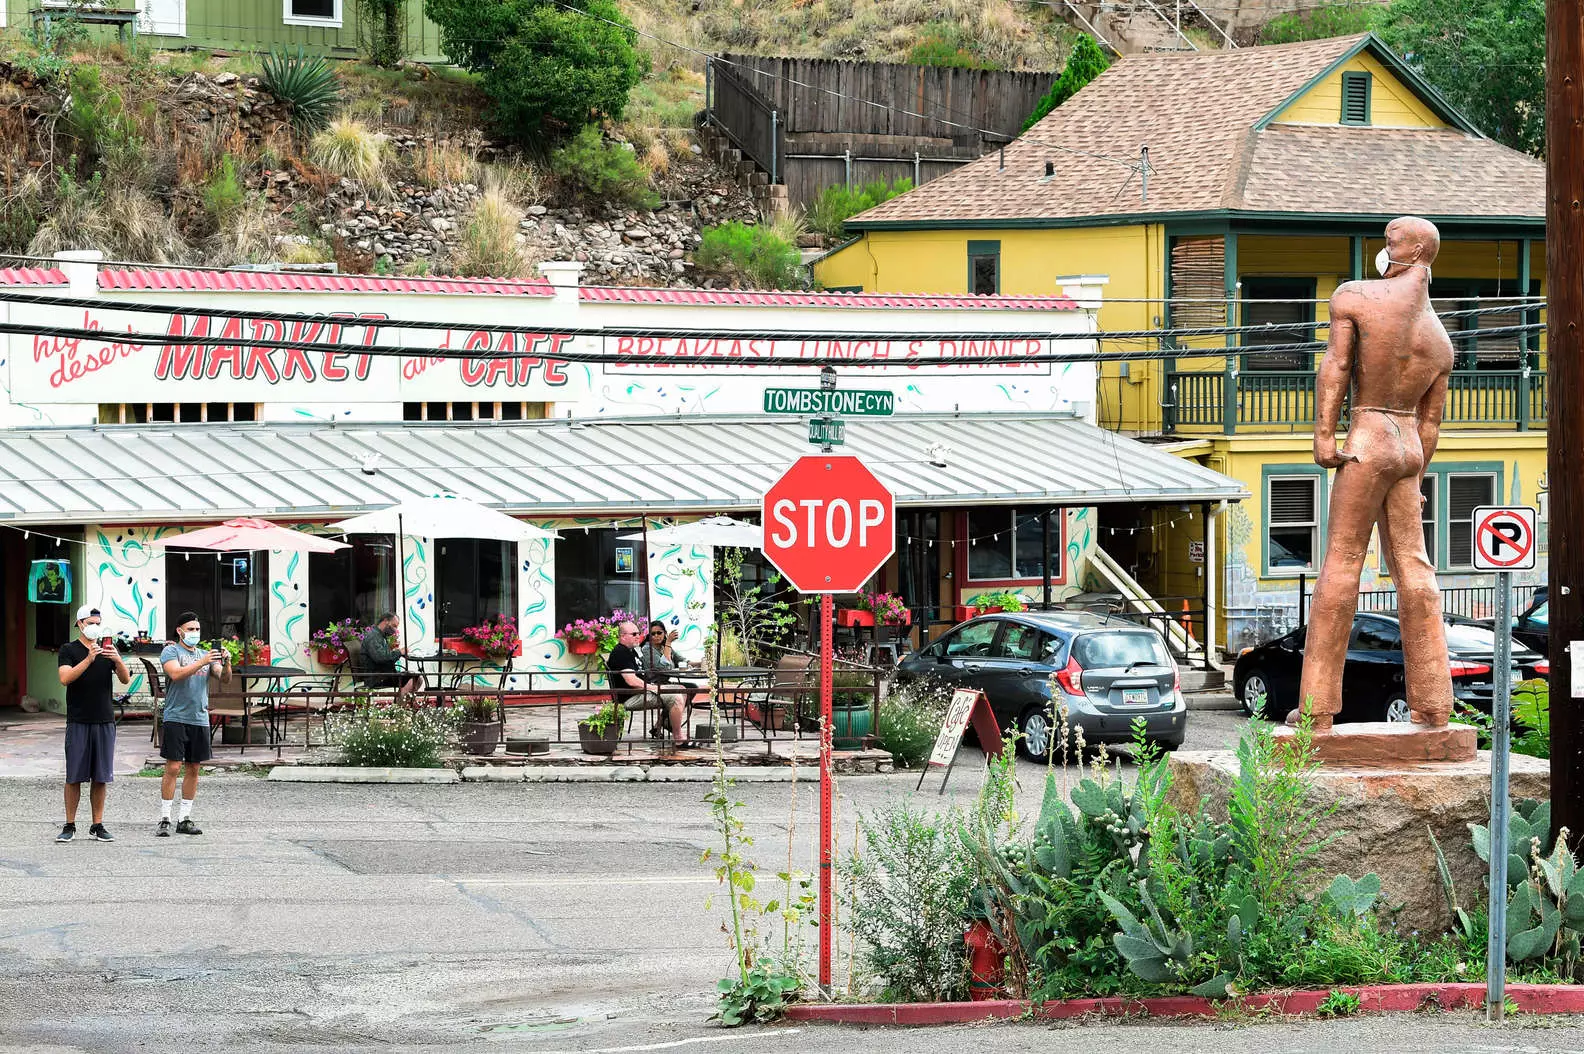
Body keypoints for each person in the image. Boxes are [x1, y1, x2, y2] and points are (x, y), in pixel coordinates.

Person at [1297, 216, 1454, 731]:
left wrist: (1324, 435)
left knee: (1341, 564)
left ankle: (1317, 711)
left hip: (1367, 436)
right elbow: (1431, 423)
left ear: (1412, 252)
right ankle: (1434, 706)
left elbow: (1337, 366)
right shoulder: (1438, 339)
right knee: (1416, 568)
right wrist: (1418, 474)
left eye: (1389, 243)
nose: (1382, 251)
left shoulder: (1355, 297)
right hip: (1409, 448)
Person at [56, 605, 130, 843]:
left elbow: (125, 679)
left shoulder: (108, 649)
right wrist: (89, 658)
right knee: (74, 775)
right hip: (79, 719)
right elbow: (65, 678)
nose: (94, 626)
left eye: (98, 622)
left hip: (104, 719)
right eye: (90, 622)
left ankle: (97, 824)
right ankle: (69, 824)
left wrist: (117, 659)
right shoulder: (69, 649)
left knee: (101, 776)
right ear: (80, 624)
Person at [157, 612, 230, 837]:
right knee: (173, 767)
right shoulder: (171, 651)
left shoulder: (205, 655)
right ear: (180, 631)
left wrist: (226, 663)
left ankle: (184, 818)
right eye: (191, 629)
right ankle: (165, 819)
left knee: (194, 768)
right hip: (176, 717)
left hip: (199, 718)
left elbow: (224, 678)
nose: (195, 634)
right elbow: (176, 674)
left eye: (198, 630)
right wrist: (202, 661)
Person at [606, 620, 688, 748]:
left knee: (682, 689)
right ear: (623, 636)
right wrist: (652, 687)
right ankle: (678, 738)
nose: (638, 636)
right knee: (675, 696)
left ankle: (665, 724)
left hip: (641, 691)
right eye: (634, 634)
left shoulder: (630, 651)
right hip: (630, 697)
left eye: (638, 633)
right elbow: (631, 680)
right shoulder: (620, 652)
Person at [360, 613, 423, 703]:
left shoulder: (380, 636)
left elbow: (383, 656)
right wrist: (399, 652)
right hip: (376, 677)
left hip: (383, 674)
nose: (395, 629)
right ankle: (399, 707)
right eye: (394, 626)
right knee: (415, 679)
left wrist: (396, 653)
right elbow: (380, 658)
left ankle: (400, 704)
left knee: (416, 678)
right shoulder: (373, 637)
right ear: (386, 621)